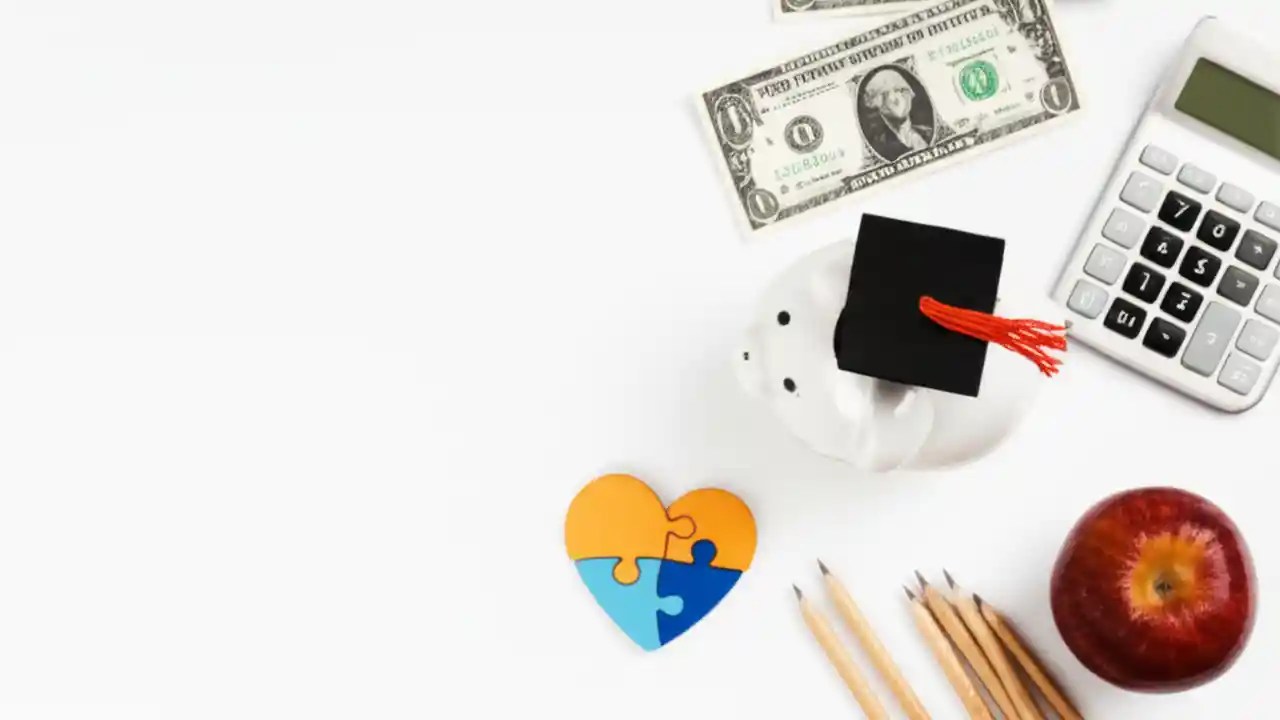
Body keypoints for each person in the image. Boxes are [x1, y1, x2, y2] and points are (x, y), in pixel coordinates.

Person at [859, 68, 933, 162]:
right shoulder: (880, 146)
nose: (896, 99)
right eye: (885, 94)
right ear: (876, 104)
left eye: (901, 90)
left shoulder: (927, 133)